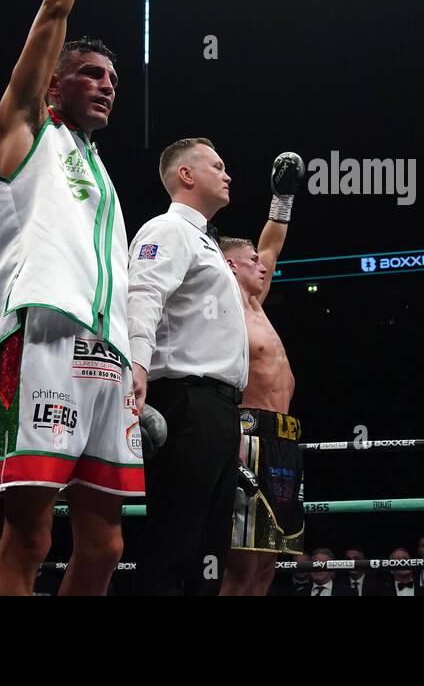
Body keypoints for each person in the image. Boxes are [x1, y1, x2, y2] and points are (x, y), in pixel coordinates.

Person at [0, 0, 151, 596]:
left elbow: (120, 277)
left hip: (106, 355)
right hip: (43, 337)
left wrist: (135, 357)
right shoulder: (26, 136)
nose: (106, 86)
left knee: (107, 544)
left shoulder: (101, 173)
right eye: (90, 75)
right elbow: (52, 19)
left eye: (113, 80)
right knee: (30, 532)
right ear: (53, 84)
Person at [128, 138, 248, 595]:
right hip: (186, 400)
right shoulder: (167, 229)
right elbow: (142, 295)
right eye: (216, 166)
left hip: (217, 407)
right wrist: (136, 365)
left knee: (208, 551)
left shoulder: (206, 242)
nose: (227, 174)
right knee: (175, 544)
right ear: (186, 175)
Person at [219, 153, 308, 596]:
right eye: (252, 259)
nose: (263, 263)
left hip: (283, 436)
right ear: (232, 266)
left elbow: (272, 245)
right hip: (247, 432)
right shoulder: (225, 308)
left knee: (271, 559)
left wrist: (283, 197)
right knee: (242, 560)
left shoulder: (256, 306)